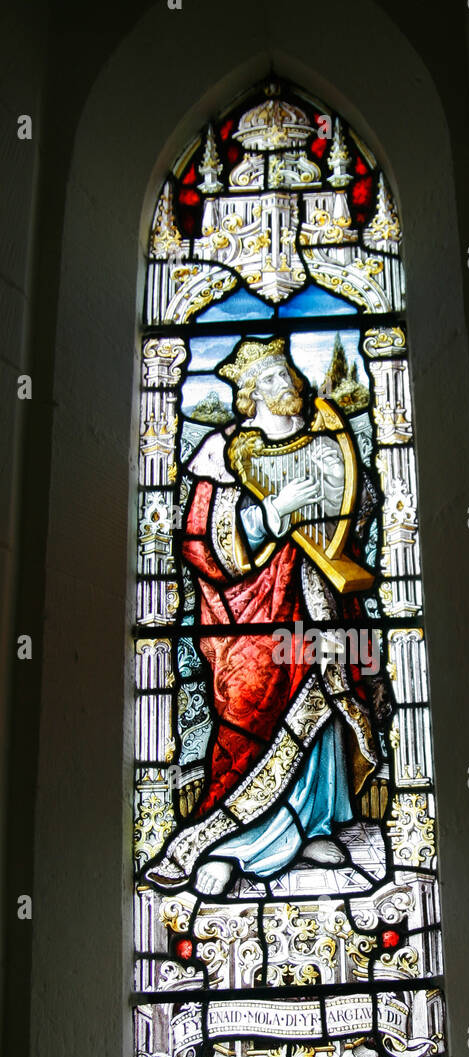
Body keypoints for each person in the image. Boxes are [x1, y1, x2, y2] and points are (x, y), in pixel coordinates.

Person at [145, 336, 382, 897]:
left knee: (322, 702)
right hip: (249, 611)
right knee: (250, 707)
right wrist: (274, 511)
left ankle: (308, 824)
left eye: (287, 375)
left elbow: (357, 510)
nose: (287, 386)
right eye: (271, 380)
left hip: (317, 597)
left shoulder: (328, 442)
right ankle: (226, 842)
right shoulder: (222, 451)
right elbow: (200, 540)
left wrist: (350, 501)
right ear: (249, 395)